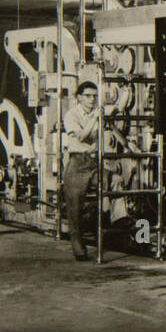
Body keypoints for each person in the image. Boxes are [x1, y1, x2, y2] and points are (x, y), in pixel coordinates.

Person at [61, 80, 100, 261]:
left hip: (95, 163)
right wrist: (95, 119)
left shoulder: (98, 113)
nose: (92, 100)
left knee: (114, 182)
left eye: (94, 96)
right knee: (74, 206)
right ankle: (78, 247)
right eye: (88, 96)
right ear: (79, 98)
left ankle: (119, 219)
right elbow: (81, 136)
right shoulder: (72, 115)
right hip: (77, 163)